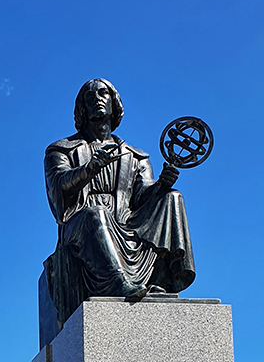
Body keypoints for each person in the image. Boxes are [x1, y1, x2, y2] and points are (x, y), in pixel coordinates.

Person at [43, 79, 195, 327]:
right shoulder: (61, 150)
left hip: (126, 221)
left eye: (103, 93)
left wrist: (160, 186)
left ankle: (164, 279)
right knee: (96, 214)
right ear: (82, 108)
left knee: (172, 198)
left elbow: (142, 196)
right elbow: (58, 187)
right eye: (89, 96)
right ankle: (117, 283)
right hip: (82, 224)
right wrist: (89, 169)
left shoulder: (136, 156)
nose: (97, 99)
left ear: (115, 104)